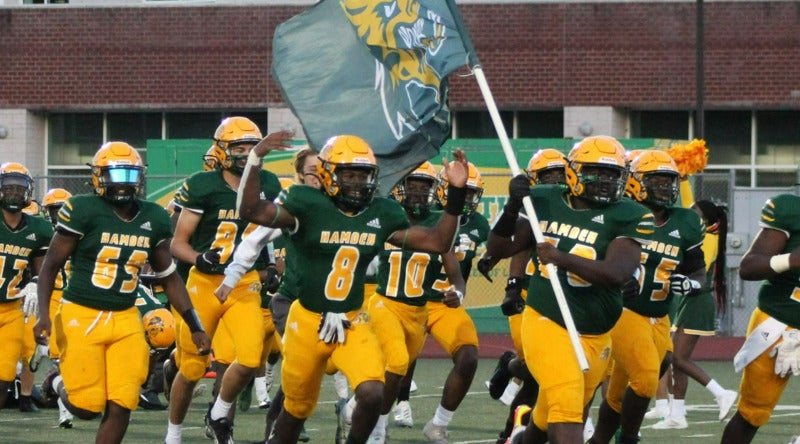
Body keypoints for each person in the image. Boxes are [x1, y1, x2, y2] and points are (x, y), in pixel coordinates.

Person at [238, 134, 469, 444]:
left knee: (373, 391)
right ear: (328, 173)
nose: (357, 183)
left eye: (363, 175)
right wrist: (255, 158)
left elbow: (438, 242)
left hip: (350, 320)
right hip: (306, 320)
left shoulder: (380, 212)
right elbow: (250, 209)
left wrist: (455, 193)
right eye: (349, 174)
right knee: (296, 411)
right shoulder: (306, 203)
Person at [32, 142, 211, 444]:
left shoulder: (153, 216)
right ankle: (58, 382)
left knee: (123, 401)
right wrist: (44, 316)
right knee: (86, 408)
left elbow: (169, 277)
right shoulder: (82, 209)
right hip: (82, 312)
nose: (122, 183)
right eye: (115, 175)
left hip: (126, 318)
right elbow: (50, 266)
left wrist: (195, 325)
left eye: (129, 175)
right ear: (99, 177)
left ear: (140, 177)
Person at [485, 136, 654, 444]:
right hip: (546, 319)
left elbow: (616, 273)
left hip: (595, 334)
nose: (605, 181)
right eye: (595, 172)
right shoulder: (548, 199)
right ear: (574, 171)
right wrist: (511, 207)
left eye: (612, 173)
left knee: (547, 419)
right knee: (567, 409)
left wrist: (559, 257)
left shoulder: (631, 214)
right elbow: (498, 248)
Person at [165, 116, 282, 444]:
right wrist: (197, 258)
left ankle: (218, 415)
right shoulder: (203, 185)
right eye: (239, 147)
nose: (246, 153)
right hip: (204, 284)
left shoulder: (269, 184)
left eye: (251, 147)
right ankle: (173, 434)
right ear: (221, 150)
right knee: (191, 369)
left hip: (244, 284)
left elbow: (267, 234)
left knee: (248, 358)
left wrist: (270, 265)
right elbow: (178, 243)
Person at [588, 150, 706, 443]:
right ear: (637, 182)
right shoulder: (621, 213)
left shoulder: (685, 222)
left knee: (622, 389)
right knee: (646, 378)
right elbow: (595, 259)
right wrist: (614, 281)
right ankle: (628, 438)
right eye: (657, 180)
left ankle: (599, 439)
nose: (665, 187)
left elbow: (699, 272)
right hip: (624, 310)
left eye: (669, 181)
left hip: (660, 314)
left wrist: (690, 284)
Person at [346, 161, 465, 443]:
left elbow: (456, 274)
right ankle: (376, 430)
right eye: (413, 186)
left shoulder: (437, 227)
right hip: (385, 303)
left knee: (396, 374)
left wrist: (457, 293)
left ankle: (357, 404)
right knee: (397, 363)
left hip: (418, 312)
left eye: (425, 188)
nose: (418, 193)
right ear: (401, 188)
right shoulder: (388, 217)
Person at [485, 148, 567, 444]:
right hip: (534, 296)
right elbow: (515, 245)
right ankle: (512, 434)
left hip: (570, 301)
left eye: (560, 173)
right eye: (548, 176)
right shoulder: (535, 208)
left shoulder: (580, 206)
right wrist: (511, 286)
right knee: (535, 374)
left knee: (539, 376)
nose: (556, 181)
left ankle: (509, 367)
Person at [414, 161, 486, 443]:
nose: (467, 198)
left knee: (468, 356)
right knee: (394, 367)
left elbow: (462, 269)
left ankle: (439, 424)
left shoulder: (478, 223)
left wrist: (460, 292)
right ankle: (371, 417)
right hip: (410, 301)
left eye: (471, 193)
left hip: (446, 303)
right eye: (462, 192)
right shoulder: (425, 214)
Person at [720, 192, 800, 444]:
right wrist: (791, 260)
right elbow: (749, 267)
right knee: (752, 413)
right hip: (780, 322)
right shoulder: (790, 210)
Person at [650, 198, 737, 429]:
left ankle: (721, 393)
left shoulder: (708, 239)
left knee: (677, 357)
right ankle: (677, 415)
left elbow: (698, 270)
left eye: (694, 211)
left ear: (705, 219)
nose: (688, 213)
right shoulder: (701, 235)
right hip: (688, 301)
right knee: (673, 359)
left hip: (697, 301)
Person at [0, 163, 53, 411]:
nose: (13, 194)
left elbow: (42, 268)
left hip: (11, 311)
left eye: (19, 189)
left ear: (28, 193)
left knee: (3, 380)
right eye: (8, 188)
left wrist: (34, 282)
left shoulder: (39, 229)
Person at [39, 187, 75, 428]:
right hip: (53, 299)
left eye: (63, 209)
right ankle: (65, 411)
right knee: (58, 356)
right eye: (55, 210)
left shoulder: (80, 231)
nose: (59, 214)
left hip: (77, 300)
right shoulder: (44, 235)